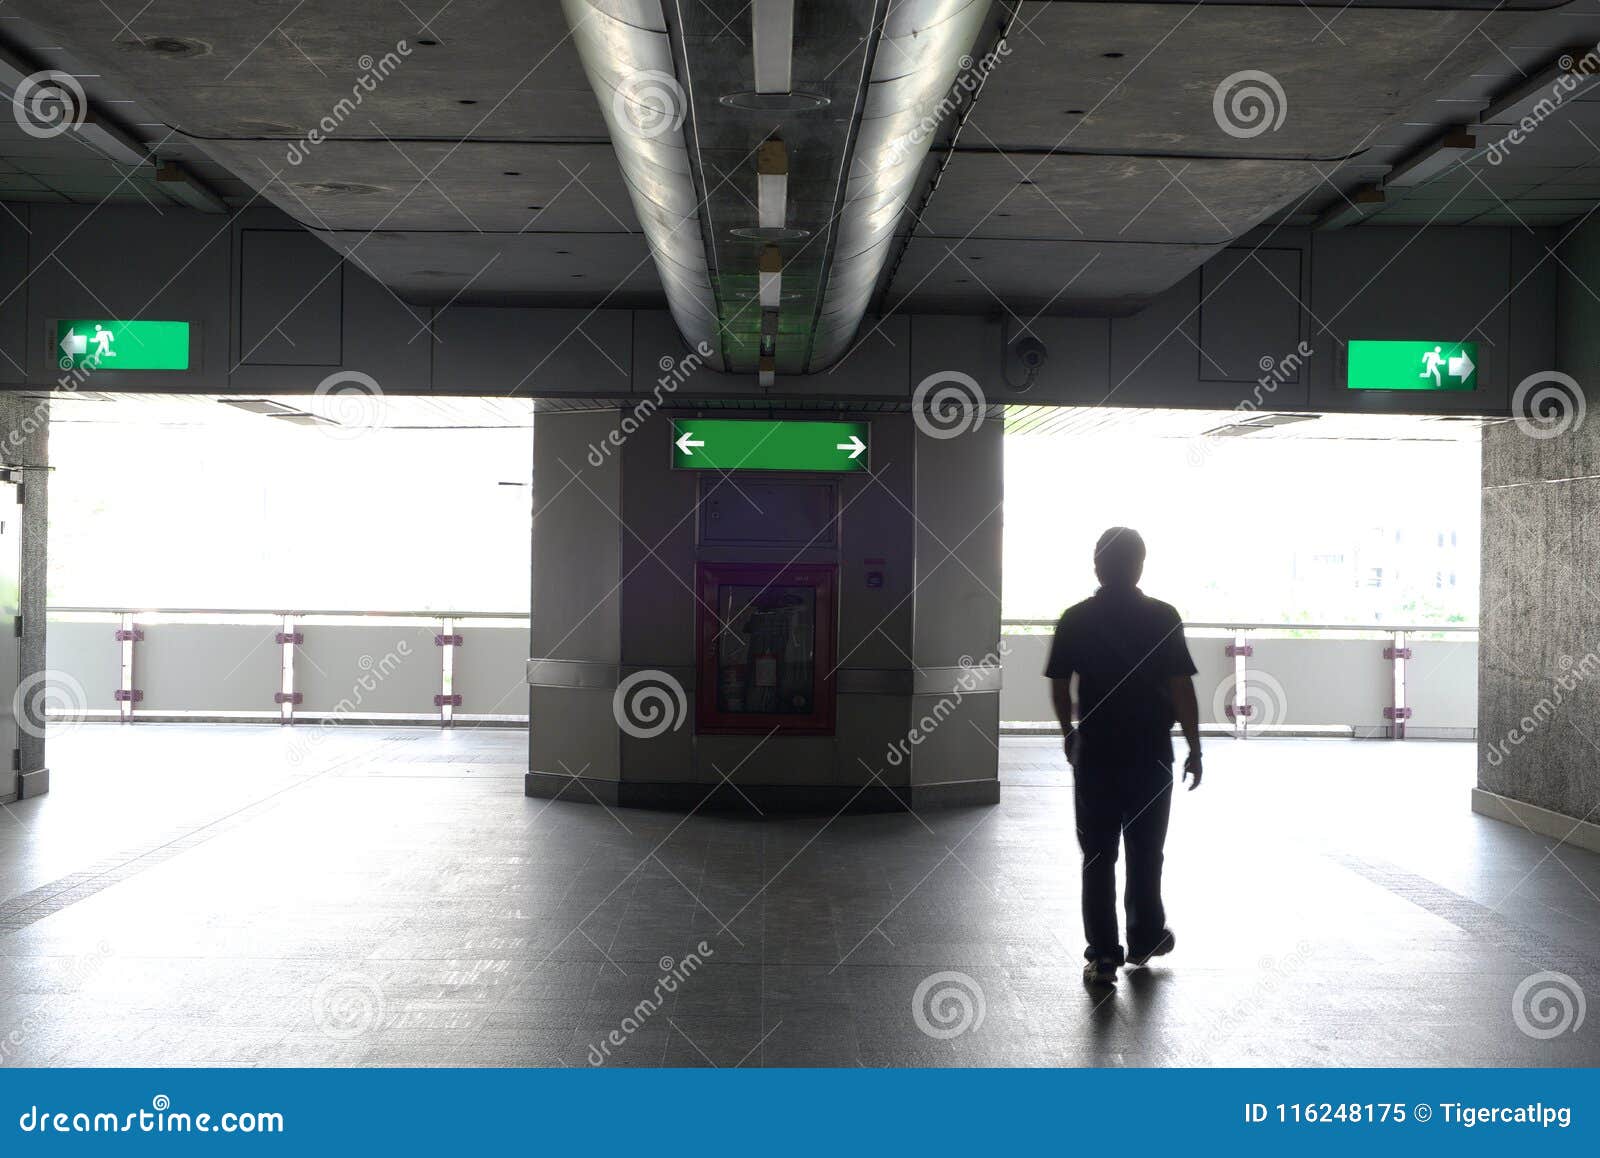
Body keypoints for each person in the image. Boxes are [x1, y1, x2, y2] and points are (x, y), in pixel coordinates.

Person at [1045, 527, 1201, 986]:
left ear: (1097, 564)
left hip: (1096, 751)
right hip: (1151, 750)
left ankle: (1105, 953)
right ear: (1140, 565)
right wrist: (1194, 745)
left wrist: (1068, 732)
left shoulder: (1075, 618)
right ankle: (1146, 934)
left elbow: (1059, 683)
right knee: (1147, 849)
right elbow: (1181, 686)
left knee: (1097, 854)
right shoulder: (1163, 616)